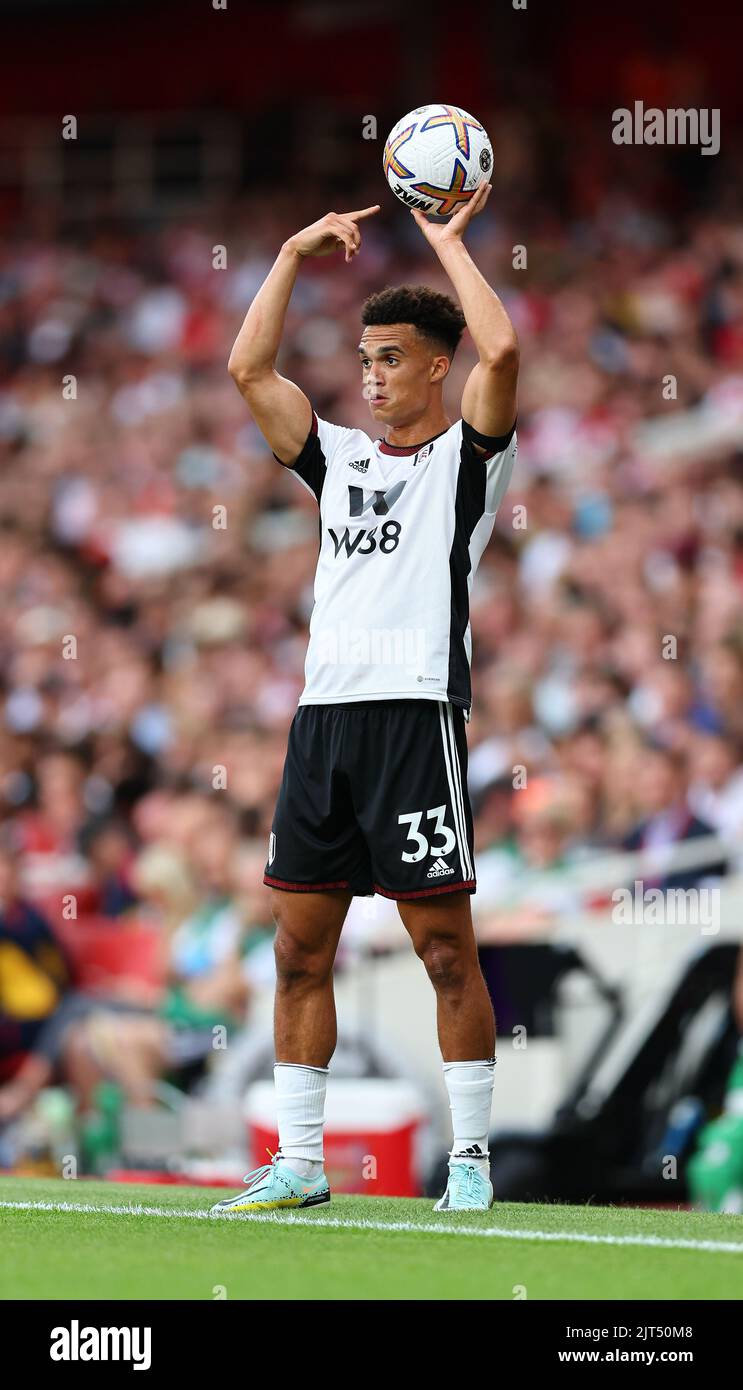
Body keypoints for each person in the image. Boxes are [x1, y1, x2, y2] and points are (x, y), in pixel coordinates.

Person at [212, 182, 519, 1216]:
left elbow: (505, 354)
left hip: (415, 713)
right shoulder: (335, 457)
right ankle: (301, 1161)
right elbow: (247, 367)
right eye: (365, 359)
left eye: (391, 358)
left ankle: (470, 1158)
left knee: (442, 949)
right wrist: (293, 255)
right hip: (323, 723)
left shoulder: (466, 460)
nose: (373, 376)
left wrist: (446, 245)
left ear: (436, 365)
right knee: (299, 948)